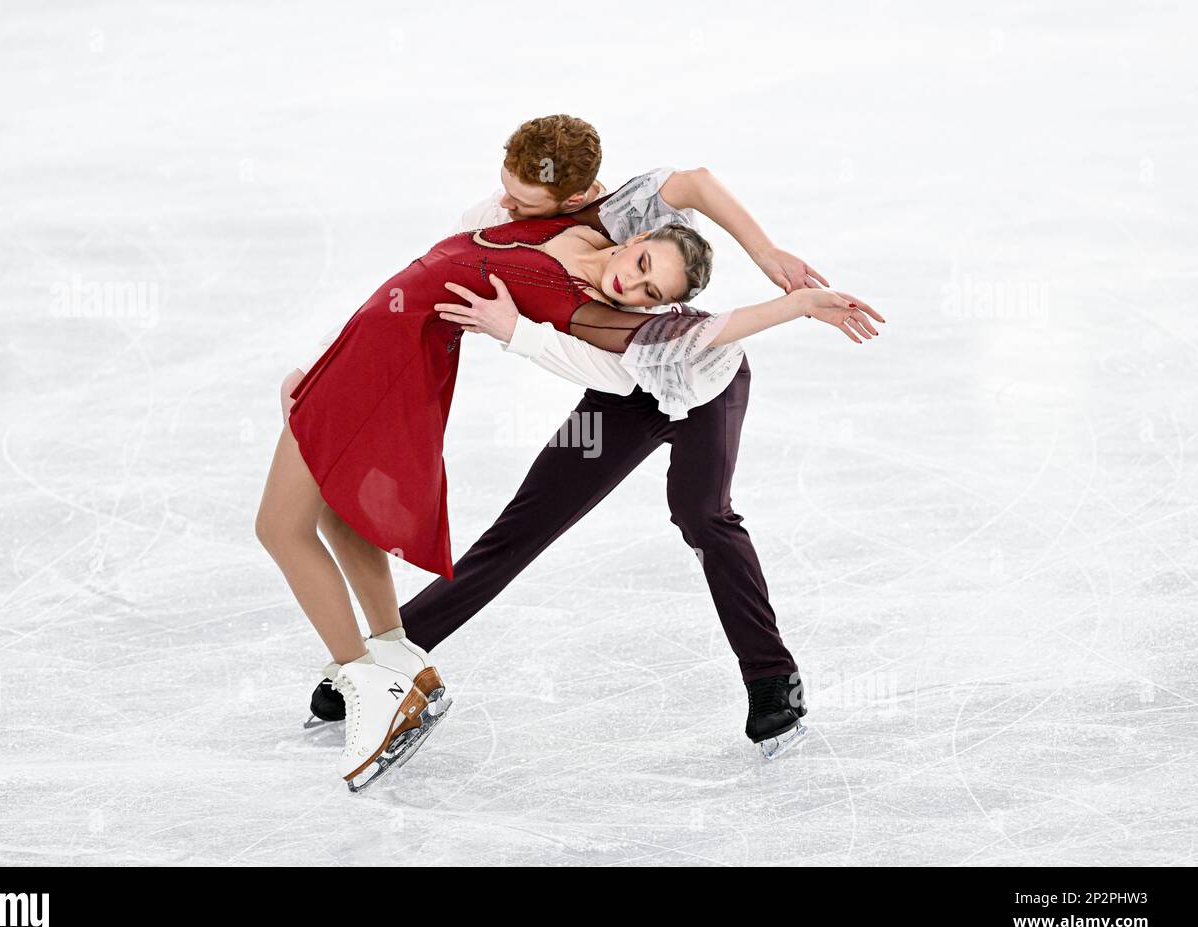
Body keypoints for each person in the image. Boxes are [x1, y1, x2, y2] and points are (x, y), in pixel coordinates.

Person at [290, 115, 883, 770]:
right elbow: (697, 183)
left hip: (701, 397)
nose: (635, 283)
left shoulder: (659, 329)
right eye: (641, 263)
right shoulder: (593, 222)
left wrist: (797, 306)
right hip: (616, 408)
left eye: (653, 290)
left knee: (702, 514)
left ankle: (773, 680)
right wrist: (769, 254)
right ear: (639, 234)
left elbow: (608, 362)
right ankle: (395, 653)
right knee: (524, 526)